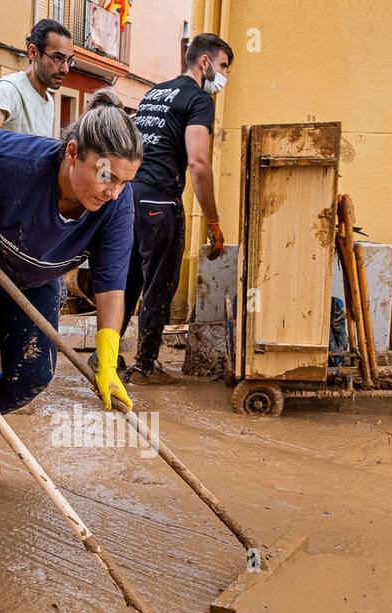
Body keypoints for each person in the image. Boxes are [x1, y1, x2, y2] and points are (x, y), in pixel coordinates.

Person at [0, 90, 139, 506]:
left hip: (35, 271)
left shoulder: (116, 203)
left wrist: (107, 362)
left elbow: (112, 285)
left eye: (124, 181)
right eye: (106, 175)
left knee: (34, 373)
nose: (113, 191)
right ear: (72, 153)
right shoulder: (15, 159)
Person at [122, 33, 233, 385]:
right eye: (224, 66)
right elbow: (198, 163)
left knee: (125, 280)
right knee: (159, 285)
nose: (224, 75)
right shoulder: (198, 99)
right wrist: (213, 220)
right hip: (159, 203)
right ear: (204, 62)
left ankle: (104, 356)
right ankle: (145, 365)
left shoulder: (155, 92)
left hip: (128, 197)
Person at [0, 18, 70, 137]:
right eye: (57, 58)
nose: (65, 69)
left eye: (69, 60)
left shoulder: (49, 101)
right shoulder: (8, 90)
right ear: (33, 52)